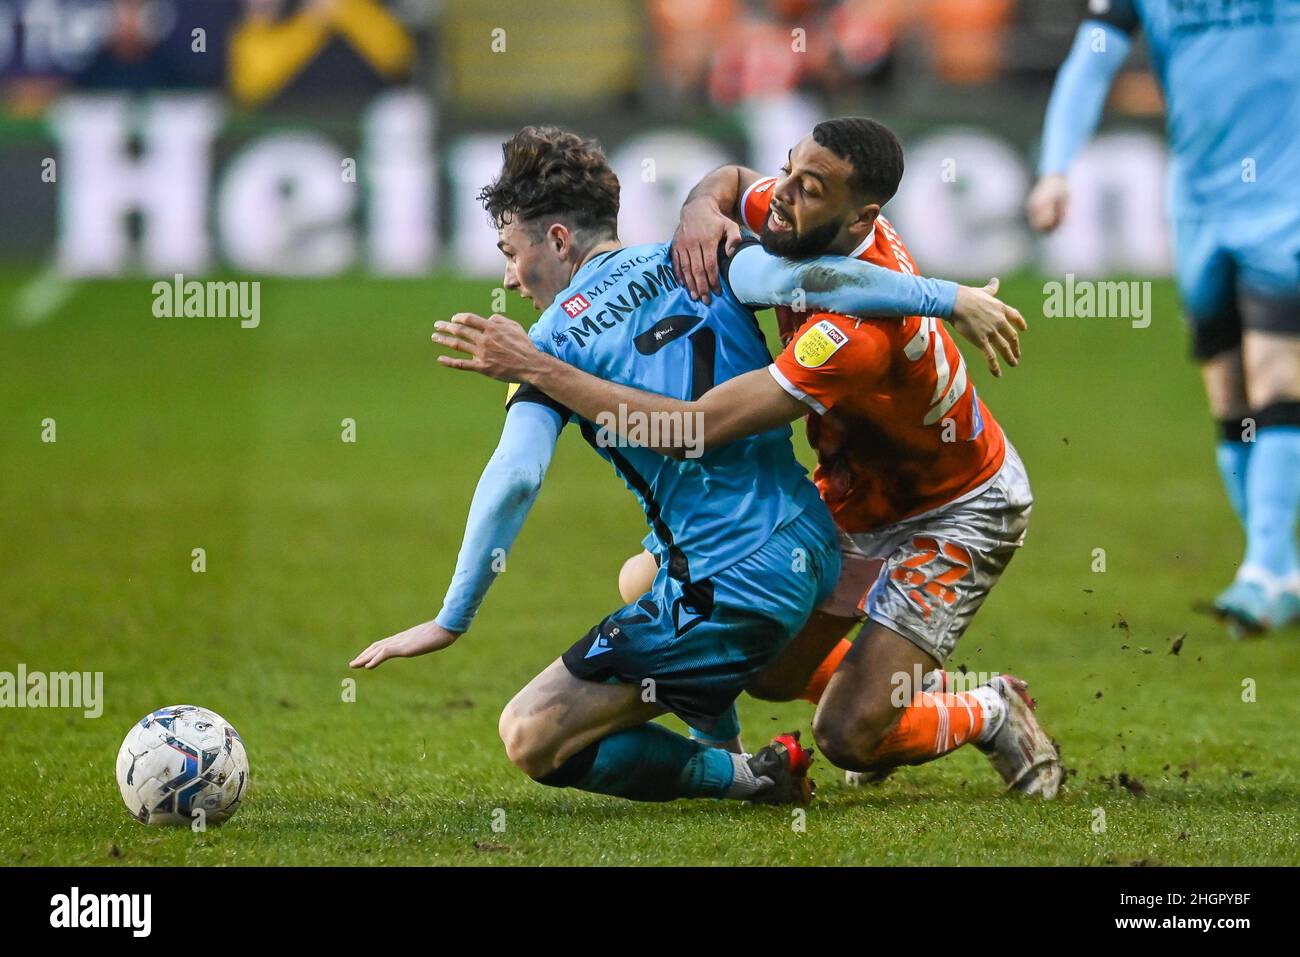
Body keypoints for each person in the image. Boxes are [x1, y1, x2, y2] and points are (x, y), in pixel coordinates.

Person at [351, 124, 1023, 804]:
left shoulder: (547, 345)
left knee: (530, 733)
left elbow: (530, 473)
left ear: (557, 240)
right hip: (816, 530)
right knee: (641, 574)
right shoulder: (708, 254)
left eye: (509, 252)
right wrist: (951, 296)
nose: (507, 276)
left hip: (803, 556)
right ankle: (768, 728)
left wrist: (452, 617)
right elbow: (818, 275)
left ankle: (746, 775)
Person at [1027, 1, 1300, 634]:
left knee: (1279, 375)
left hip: (1287, 197)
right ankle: (1281, 571)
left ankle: (1261, 566)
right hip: (1200, 203)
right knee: (1230, 394)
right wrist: (1056, 168)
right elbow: (1090, 65)